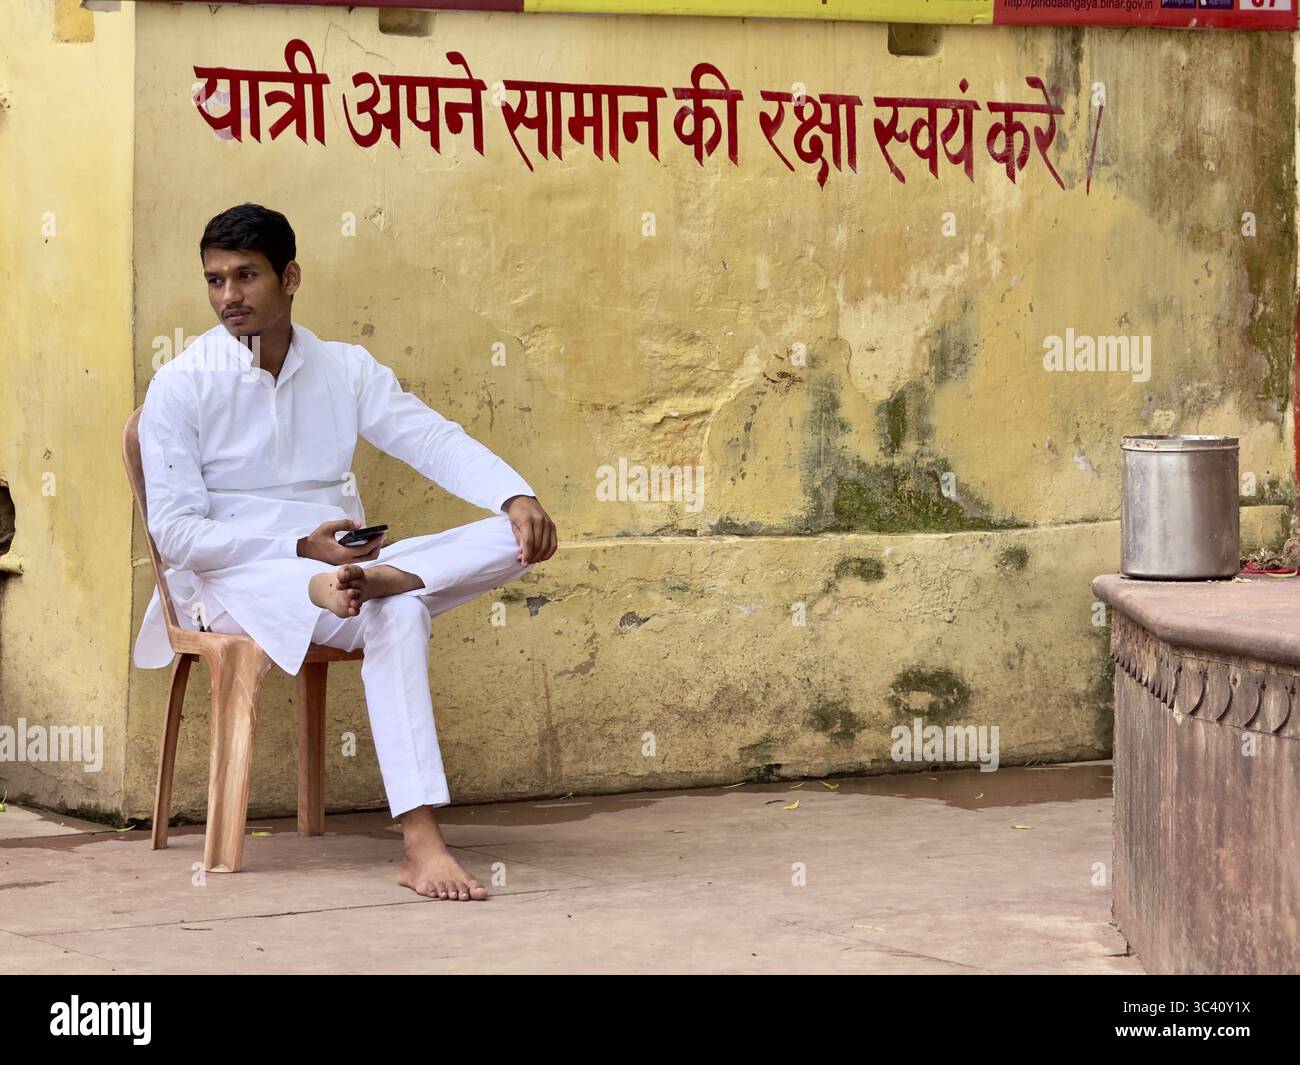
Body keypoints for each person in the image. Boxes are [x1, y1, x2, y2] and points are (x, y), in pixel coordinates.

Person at [132, 203, 557, 902]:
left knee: (499, 545)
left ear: (290, 276)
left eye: (246, 276)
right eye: (214, 280)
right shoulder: (183, 383)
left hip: (344, 575)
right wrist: (297, 545)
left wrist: (516, 496)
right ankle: (420, 836)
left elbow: (432, 437)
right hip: (233, 578)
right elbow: (177, 533)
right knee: (383, 604)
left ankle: (381, 584)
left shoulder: (344, 370)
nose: (228, 297)